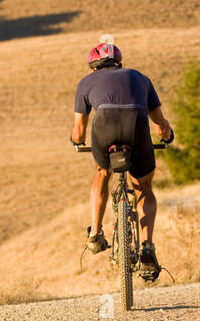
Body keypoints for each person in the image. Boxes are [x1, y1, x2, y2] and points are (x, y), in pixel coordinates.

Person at [70, 42, 173, 282]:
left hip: (104, 129)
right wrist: (167, 136)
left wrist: (77, 142)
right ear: (120, 62)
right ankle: (147, 246)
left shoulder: (86, 82)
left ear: (93, 67)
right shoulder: (140, 78)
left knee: (101, 173)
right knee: (144, 187)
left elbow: (79, 132)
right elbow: (160, 125)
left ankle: (95, 233)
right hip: (136, 127)